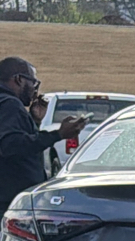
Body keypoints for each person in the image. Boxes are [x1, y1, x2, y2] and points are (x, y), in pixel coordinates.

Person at [0, 57, 87, 213]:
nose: (35, 89)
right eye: (33, 82)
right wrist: (58, 134)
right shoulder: (10, 104)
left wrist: (35, 121)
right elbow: (11, 145)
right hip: (10, 201)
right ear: (19, 79)